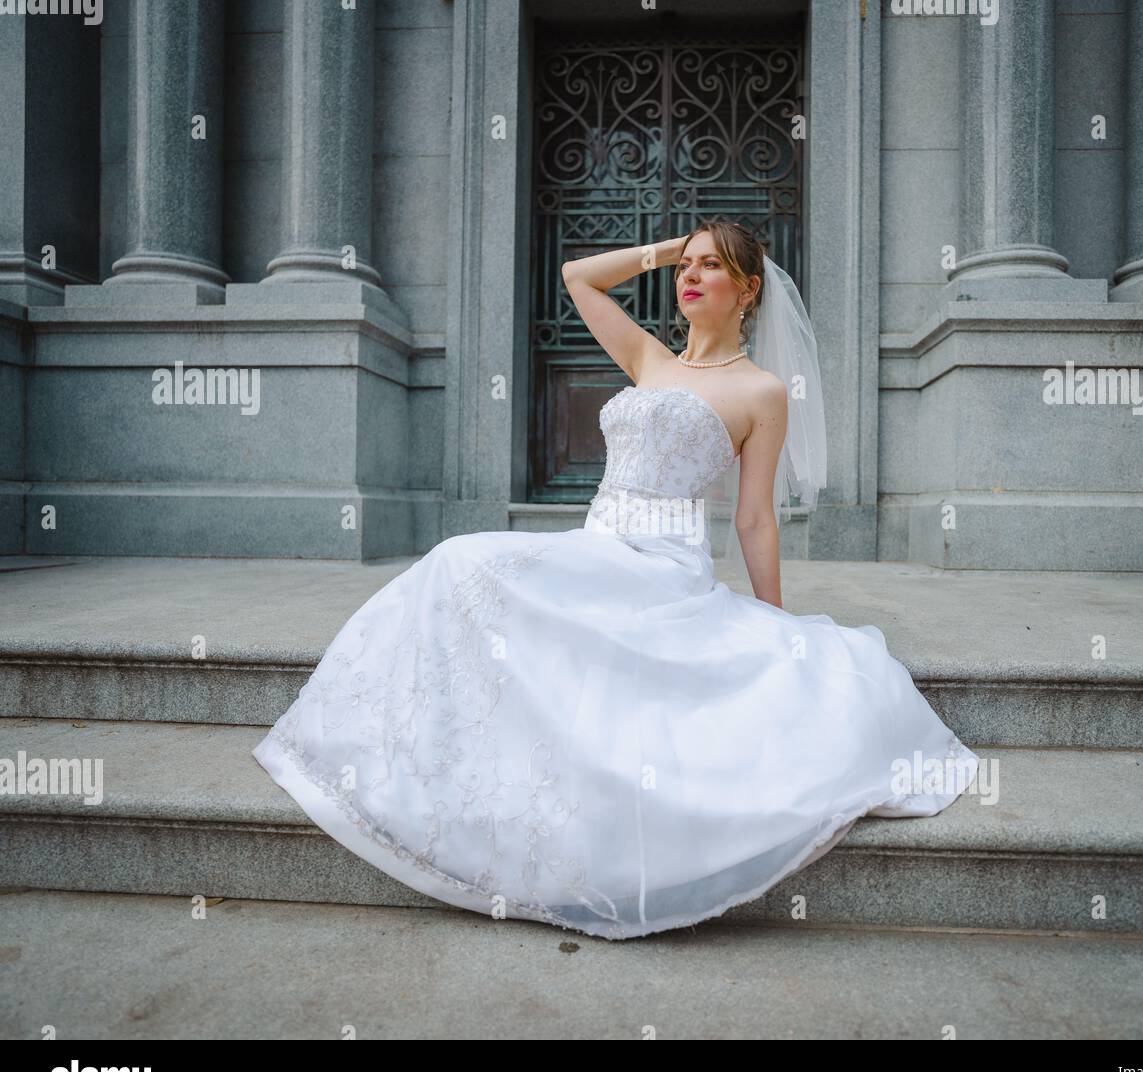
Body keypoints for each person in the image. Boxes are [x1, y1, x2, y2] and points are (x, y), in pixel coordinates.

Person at [251, 220, 980, 941]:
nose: (689, 276)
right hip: (599, 545)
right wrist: (666, 249)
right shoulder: (648, 358)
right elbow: (577, 277)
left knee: (463, 561)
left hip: (662, 561)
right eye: (684, 265)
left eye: (710, 267)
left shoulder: (761, 392)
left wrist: (779, 623)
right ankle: (405, 757)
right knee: (459, 569)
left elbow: (755, 519)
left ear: (748, 290)